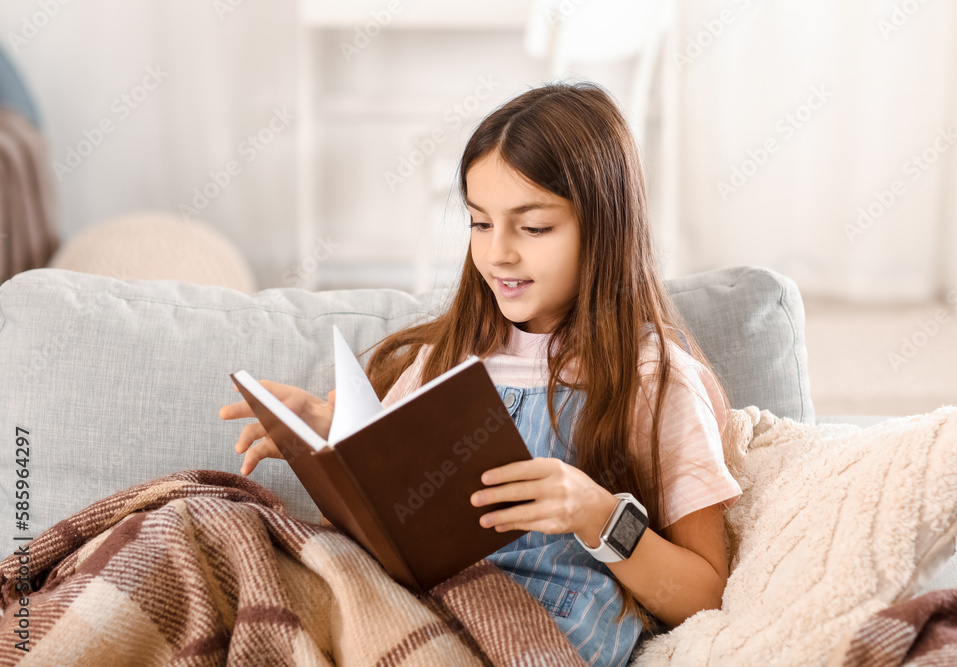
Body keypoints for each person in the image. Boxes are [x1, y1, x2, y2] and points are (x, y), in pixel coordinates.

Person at [219, 81, 742, 666]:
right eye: (479, 223)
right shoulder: (451, 356)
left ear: (605, 227)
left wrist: (597, 514)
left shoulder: (651, 381)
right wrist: (332, 439)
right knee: (204, 523)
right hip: (409, 610)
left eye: (534, 227)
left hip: (534, 632)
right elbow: (385, 534)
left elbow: (705, 594)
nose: (498, 254)